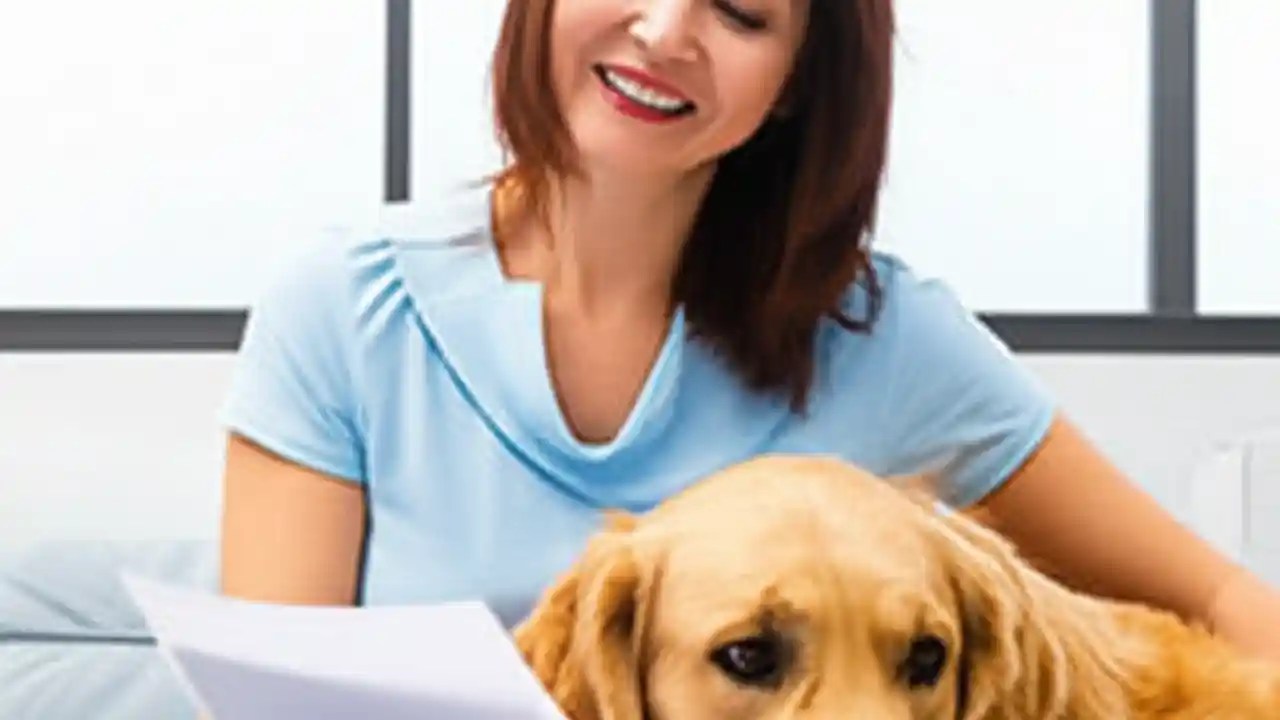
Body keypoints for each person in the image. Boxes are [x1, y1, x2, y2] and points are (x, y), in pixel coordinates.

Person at [217, 0, 1280, 666]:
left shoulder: (884, 341)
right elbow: (276, 693)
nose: (665, 31)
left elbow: (1220, 600)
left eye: (740, 13)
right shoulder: (343, 311)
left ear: (791, 87)